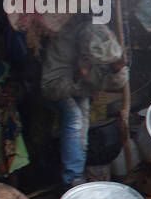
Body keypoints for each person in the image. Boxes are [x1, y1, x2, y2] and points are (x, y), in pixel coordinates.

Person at [40, 17, 126, 190]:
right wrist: (79, 75)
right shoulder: (62, 43)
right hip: (62, 86)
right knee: (75, 119)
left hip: (82, 89)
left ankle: (78, 174)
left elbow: (114, 83)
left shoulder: (105, 39)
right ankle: (73, 178)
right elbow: (50, 87)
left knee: (83, 126)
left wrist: (116, 70)